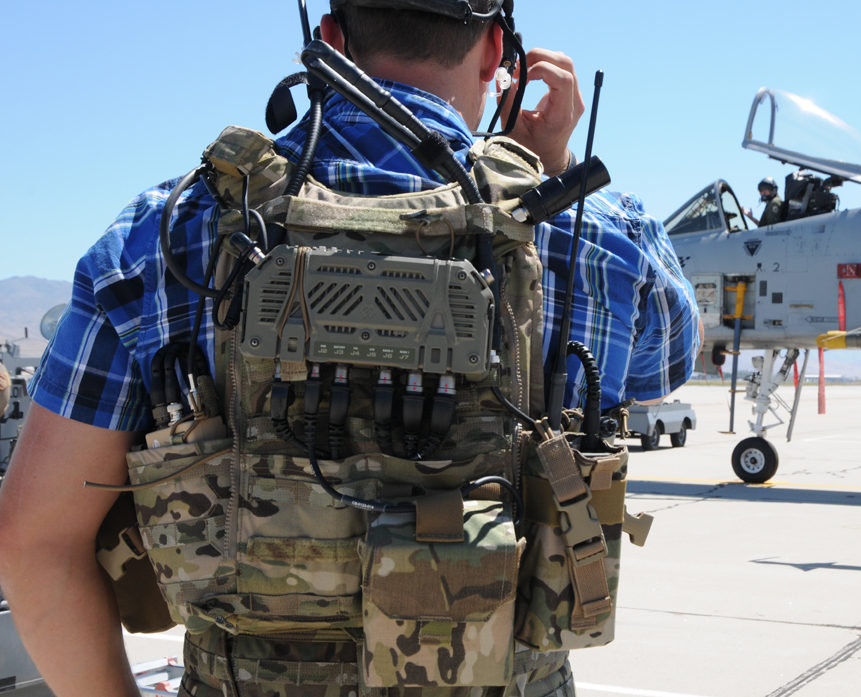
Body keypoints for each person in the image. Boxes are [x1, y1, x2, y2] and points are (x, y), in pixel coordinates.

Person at [0, 2, 700, 697]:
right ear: (496, 56)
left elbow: (34, 544)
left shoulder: (162, 233)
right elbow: (664, 366)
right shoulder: (602, 235)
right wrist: (548, 174)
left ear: (329, 39)